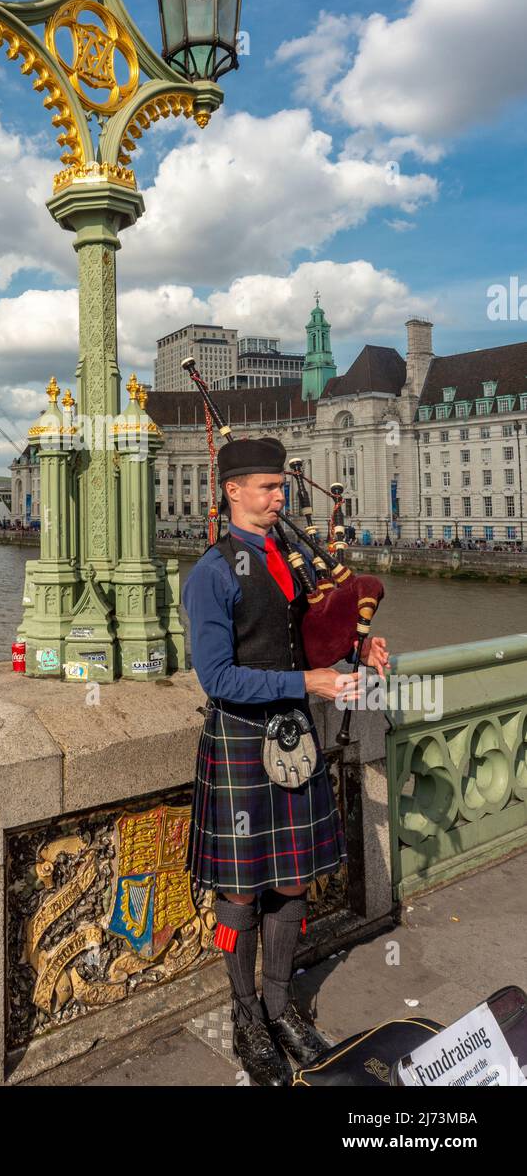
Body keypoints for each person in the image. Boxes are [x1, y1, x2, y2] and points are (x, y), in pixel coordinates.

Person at [182, 436, 390, 1086]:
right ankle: (244, 1013)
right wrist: (309, 685)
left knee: (293, 879)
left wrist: (359, 650)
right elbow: (216, 679)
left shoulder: (290, 559)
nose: (280, 497)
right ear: (232, 491)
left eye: (281, 487)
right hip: (243, 740)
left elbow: (312, 636)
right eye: (268, 487)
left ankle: (280, 1006)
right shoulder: (211, 574)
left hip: (291, 738)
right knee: (239, 894)